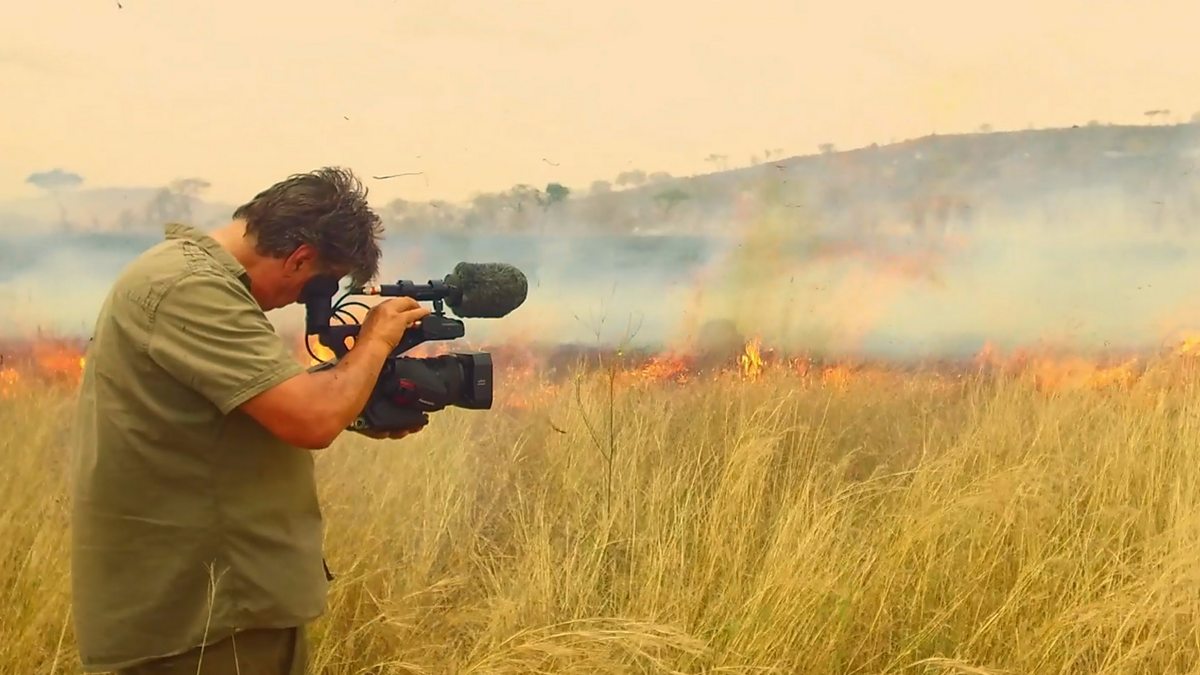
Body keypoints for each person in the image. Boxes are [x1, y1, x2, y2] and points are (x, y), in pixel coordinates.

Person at [68, 167, 430, 674]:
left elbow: (239, 410)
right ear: (299, 258)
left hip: (213, 604)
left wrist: (359, 402)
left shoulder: (183, 276)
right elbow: (311, 420)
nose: (304, 303)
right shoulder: (191, 289)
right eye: (316, 287)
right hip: (201, 619)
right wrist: (376, 339)